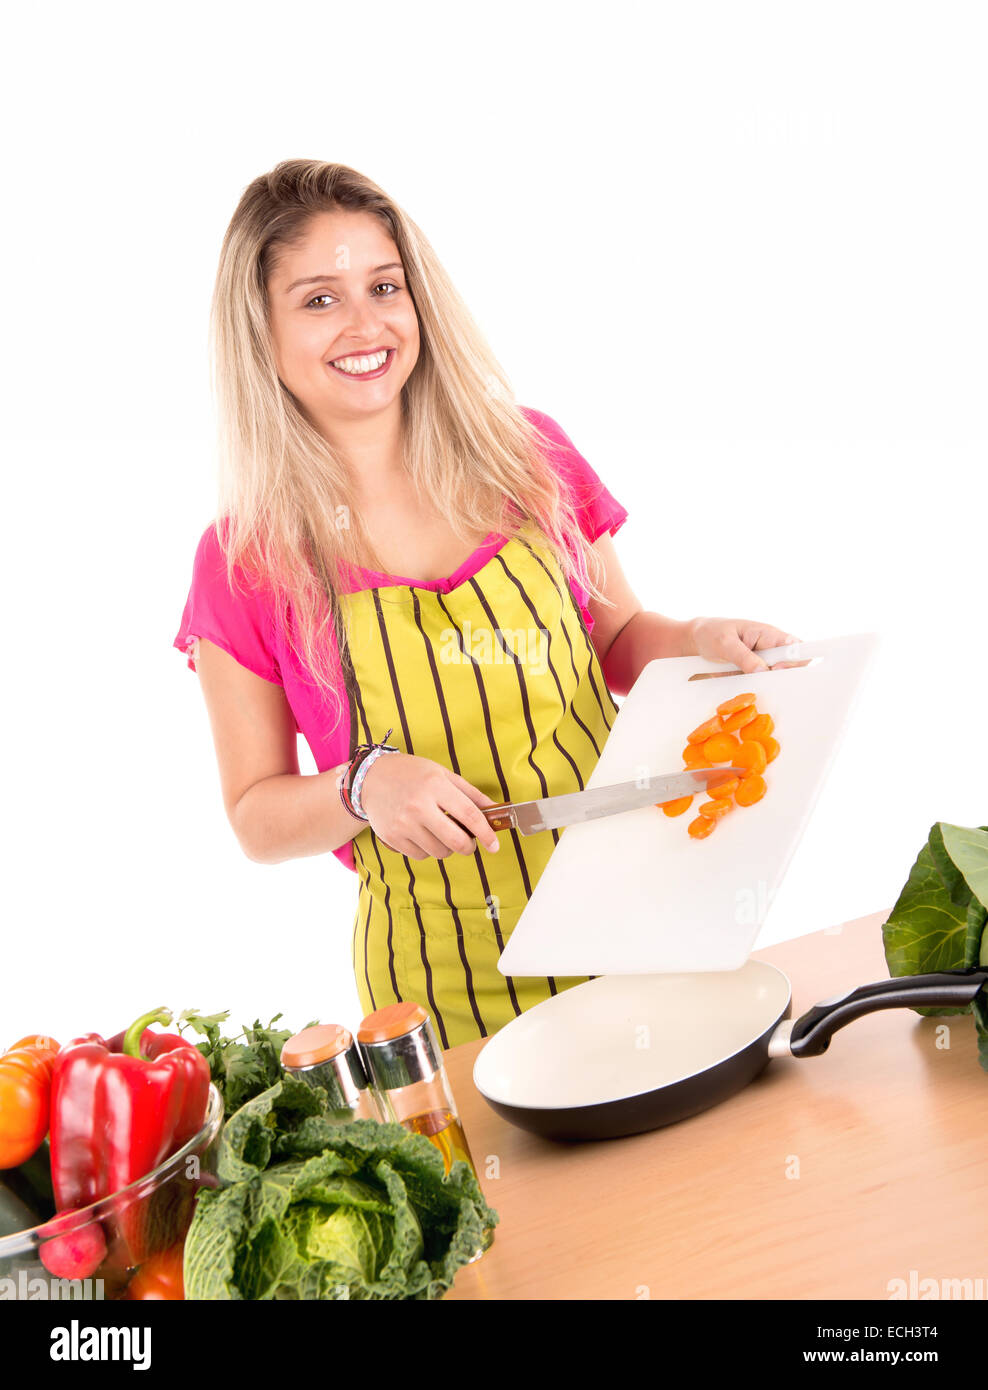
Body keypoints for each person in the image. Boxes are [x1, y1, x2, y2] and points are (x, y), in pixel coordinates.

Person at [173, 159, 800, 1049]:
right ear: (259, 334)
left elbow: (615, 635)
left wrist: (698, 637)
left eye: (384, 286)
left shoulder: (526, 455)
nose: (366, 324)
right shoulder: (246, 561)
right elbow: (255, 816)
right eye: (319, 299)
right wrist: (362, 783)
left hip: (643, 911)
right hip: (447, 981)